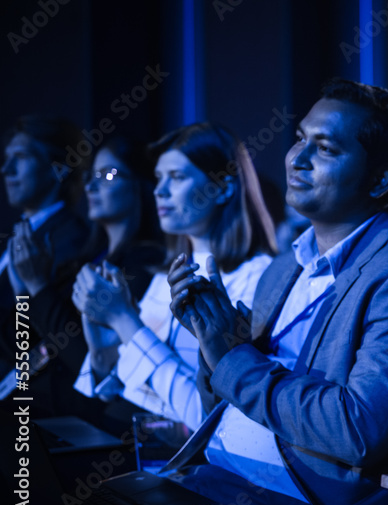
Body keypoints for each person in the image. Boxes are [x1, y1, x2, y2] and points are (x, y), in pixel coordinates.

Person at [167, 79, 388, 505]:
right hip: (216, 477)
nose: (296, 159)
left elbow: (356, 429)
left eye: (324, 148)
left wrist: (232, 358)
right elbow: (229, 397)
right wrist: (214, 342)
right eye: (301, 138)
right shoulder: (285, 266)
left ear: (380, 178)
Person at [72, 123, 275, 432]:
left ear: (223, 188)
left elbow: (207, 416)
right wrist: (103, 351)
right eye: (158, 178)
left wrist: (126, 321)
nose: (159, 190)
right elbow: (113, 391)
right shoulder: (165, 273)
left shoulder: (259, 278)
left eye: (177, 177)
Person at [24, 137, 166, 434]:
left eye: (109, 175)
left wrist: (37, 286)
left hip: (93, 425)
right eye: (91, 177)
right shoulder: (85, 256)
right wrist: (25, 288)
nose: (90, 187)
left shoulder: (147, 265)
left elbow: (91, 364)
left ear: (140, 184)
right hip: (49, 411)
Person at [0, 116, 92, 417]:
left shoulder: (72, 240)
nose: (6, 170)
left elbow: (43, 342)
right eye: (6, 158)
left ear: (59, 169)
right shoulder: (23, 234)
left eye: (21, 158)